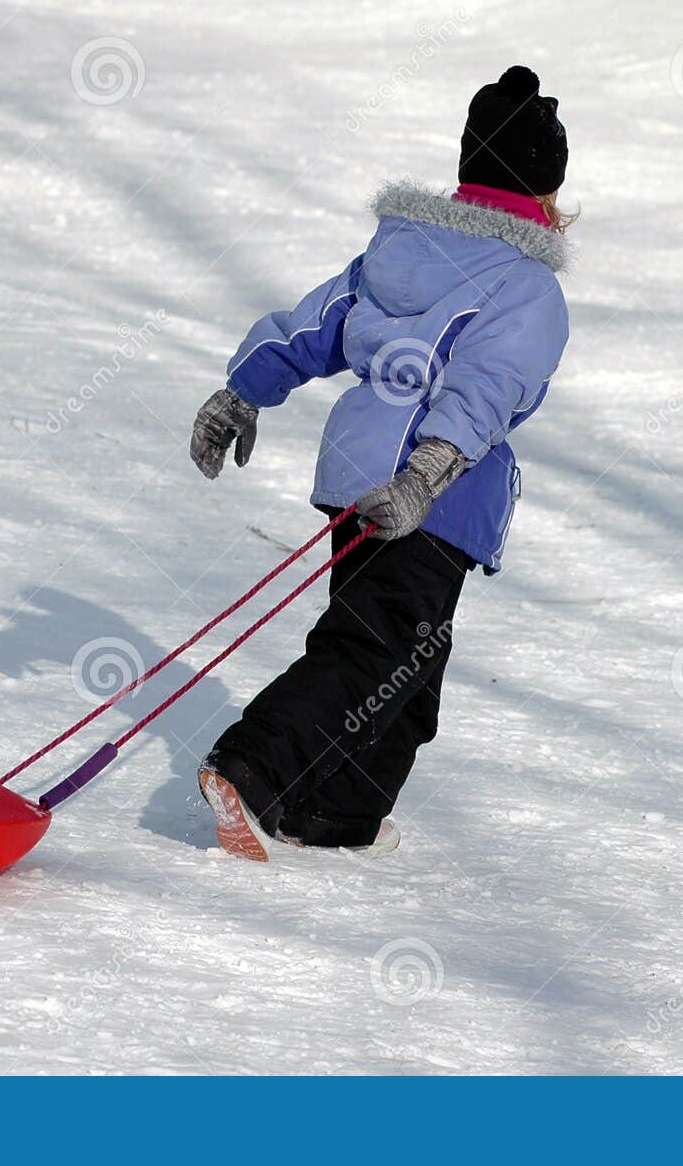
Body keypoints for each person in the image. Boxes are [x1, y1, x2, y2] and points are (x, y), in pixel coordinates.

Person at [189, 66, 574, 861]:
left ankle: (335, 817)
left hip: (357, 464)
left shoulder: (401, 248)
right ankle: (250, 766)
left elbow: (317, 323)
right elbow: (487, 383)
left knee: (405, 674)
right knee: (374, 653)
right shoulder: (526, 285)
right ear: (544, 194)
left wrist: (243, 392)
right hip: (427, 491)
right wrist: (427, 474)